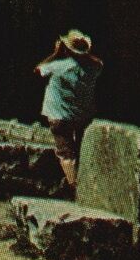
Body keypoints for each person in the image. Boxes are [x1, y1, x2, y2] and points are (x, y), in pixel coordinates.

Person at [37, 30, 102, 195]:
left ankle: (76, 190)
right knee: (80, 152)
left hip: (59, 115)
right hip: (81, 117)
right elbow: (99, 62)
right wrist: (84, 54)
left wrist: (55, 54)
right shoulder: (93, 68)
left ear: (66, 49)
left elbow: (38, 70)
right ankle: (80, 184)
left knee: (66, 154)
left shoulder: (59, 66)